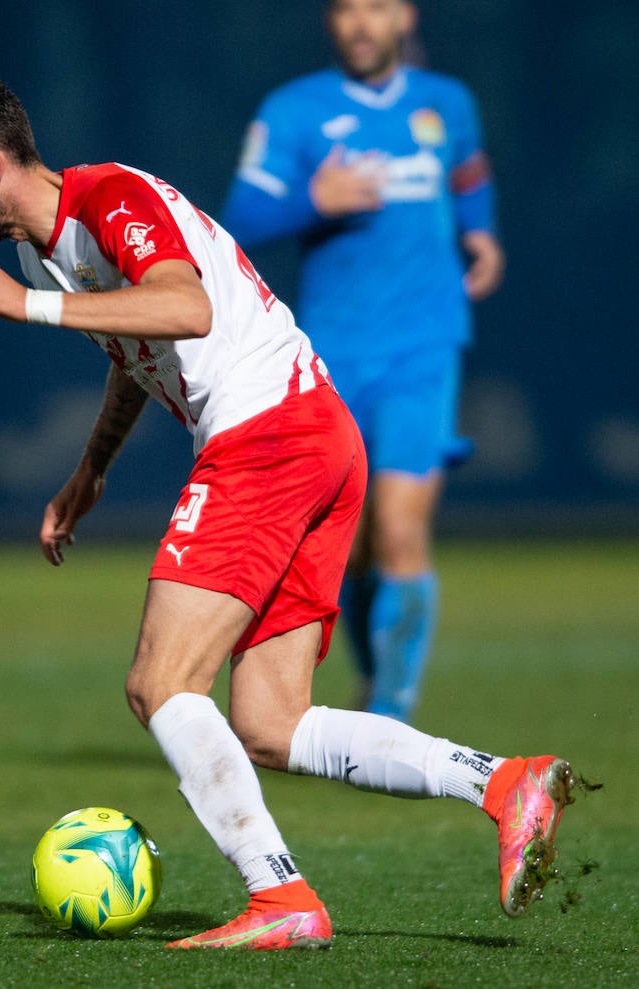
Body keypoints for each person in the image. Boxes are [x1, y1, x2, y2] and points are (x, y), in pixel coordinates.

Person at [0, 71, 566, 950]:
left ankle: (278, 896)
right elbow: (139, 344)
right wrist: (91, 467)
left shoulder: (110, 198)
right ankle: (503, 781)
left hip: (271, 436)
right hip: (317, 433)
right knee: (269, 721)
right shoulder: (49, 245)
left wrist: (31, 307)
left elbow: (186, 306)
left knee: (160, 682)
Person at [221, 0, 505, 723]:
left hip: (425, 343)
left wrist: (482, 237)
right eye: (348, 9)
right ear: (330, 20)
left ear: (403, 15)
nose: (361, 24)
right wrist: (311, 200)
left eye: (376, 8)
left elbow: (470, 179)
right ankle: (377, 678)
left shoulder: (447, 104)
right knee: (348, 549)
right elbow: (242, 219)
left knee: (403, 526)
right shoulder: (294, 109)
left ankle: (388, 714)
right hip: (333, 353)